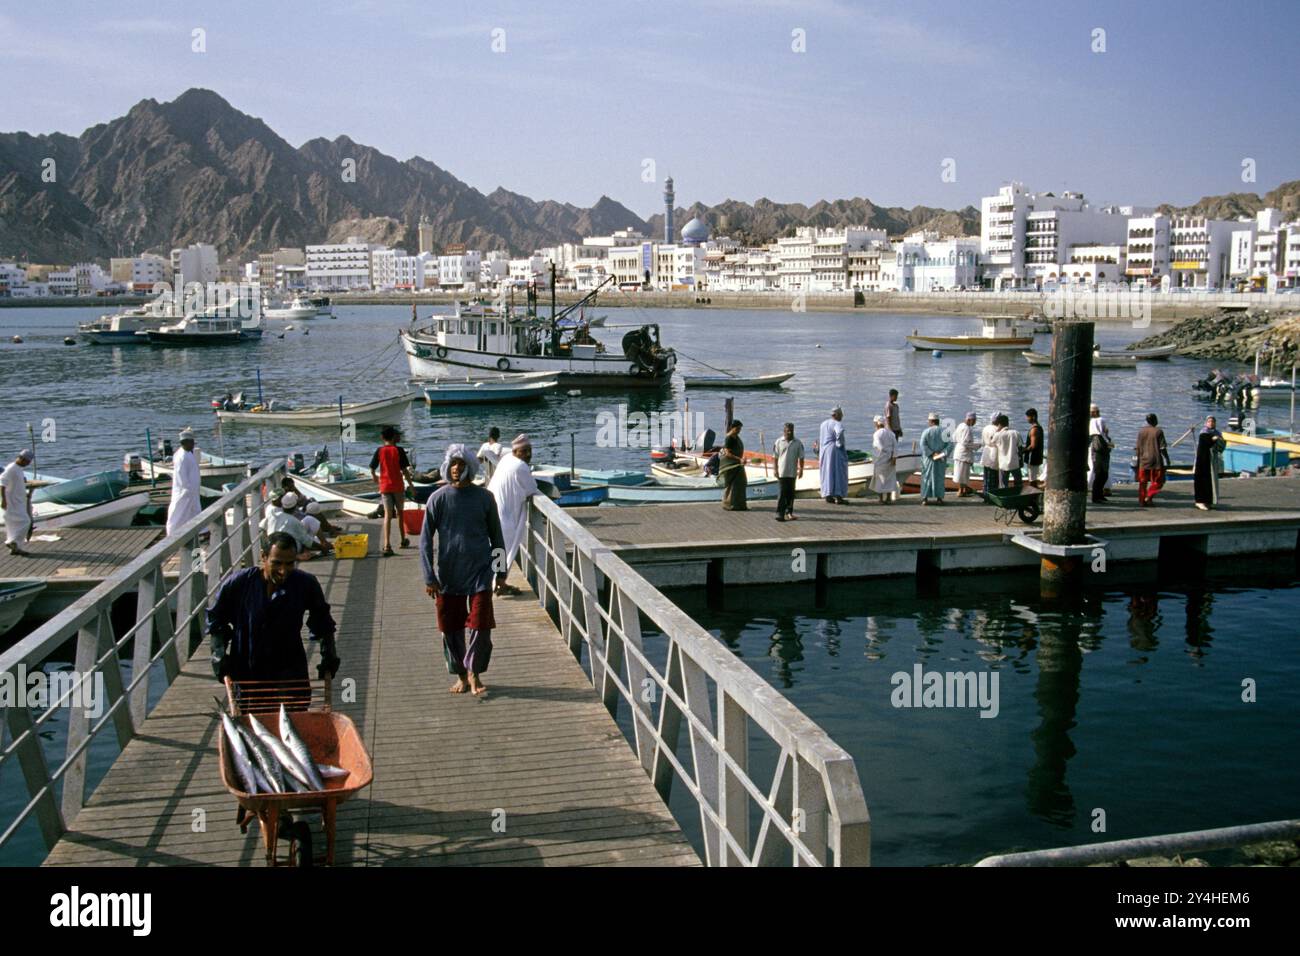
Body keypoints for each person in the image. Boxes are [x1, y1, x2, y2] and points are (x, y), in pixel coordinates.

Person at [207, 531, 339, 710]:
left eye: (290, 563)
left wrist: (328, 654)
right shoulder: (238, 583)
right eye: (277, 563)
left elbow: (323, 622)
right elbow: (216, 619)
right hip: (249, 668)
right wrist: (218, 653)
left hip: (289, 669)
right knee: (251, 721)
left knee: (294, 720)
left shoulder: (305, 584)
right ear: (263, 557)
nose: (283, 571)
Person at [420, 444, 506, 697]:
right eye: (453, 464)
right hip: (448, 573)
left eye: (462, 464)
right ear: (447, 467)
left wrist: (500, 573)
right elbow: (425, 540)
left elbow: (497, 536)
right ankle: (460, 673)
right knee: (450, 626)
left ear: (470, 467)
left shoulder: (484, 498)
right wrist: (429, 576)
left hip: (480, 571)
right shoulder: (438, 498)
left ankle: (474, 672)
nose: (457, 468)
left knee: (481, 624)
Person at [487, 434, 539, 593]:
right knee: (504, 550)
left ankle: (497, 582)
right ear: (516, 451)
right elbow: (532, 489)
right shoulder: (521, 466)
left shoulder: (506, 459)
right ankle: (497, 583)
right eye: (524, 451)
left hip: (492, 510)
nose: (528, 455)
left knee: (496, 549)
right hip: (505, 515)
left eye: (529, 450)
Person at [370, 425, 414, 557]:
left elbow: (372, 468)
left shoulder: (379, 451)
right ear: (394, 436)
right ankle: (402, 540)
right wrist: (411, 486)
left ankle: (387, 545)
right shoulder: (399, 450)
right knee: (400, 513)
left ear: (382, 437)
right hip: (397, 486)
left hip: (385, 486)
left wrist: (375, 478)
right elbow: (405, 471)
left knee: (388, 515)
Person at [165, 427, 202, 539]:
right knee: (178, 512)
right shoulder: (181, 456)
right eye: (191, 442)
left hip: (192, 491)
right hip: (184, 491)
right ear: (184, 443)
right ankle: (172, 533)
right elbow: (181, 476)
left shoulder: (188, 453)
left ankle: (198, 531)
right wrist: (188, 489)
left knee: (193, 512)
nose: (193, 445)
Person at [2, 449, 34, 557]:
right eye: (27, 462)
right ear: (22, 459)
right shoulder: (11, 468)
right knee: (26, 521)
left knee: (13, 525)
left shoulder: (18, 469)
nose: (27, 464)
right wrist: (3, 500)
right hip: (12, 501)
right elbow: (2, 484)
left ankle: (16, 547)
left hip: (18, 500)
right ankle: (12, 542)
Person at [1135, 413, 1170, 506]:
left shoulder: (1141, 431)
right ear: (1155, 420)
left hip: (1143, 460)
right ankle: (1149, 496)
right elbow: (1162, 448)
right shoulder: (1158, 431)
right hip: (1155, 460)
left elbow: (1137, 447)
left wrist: (1137, 460)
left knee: (1142, 482)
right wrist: (1167, 458)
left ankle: (1142, 501)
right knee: (1158, 481)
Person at [1192, 415, 1226, 511]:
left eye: (1213, 421)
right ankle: (1199, 501)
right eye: (1209, 421)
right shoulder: (1203, 433)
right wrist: (1213, 439)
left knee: (1211, 481)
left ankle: (1209, 501)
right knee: (1202, 480)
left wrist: (1219, 440)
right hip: (1202, 460)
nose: (1211, 423)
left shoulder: (1217, 433)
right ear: (1206, 423)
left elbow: (1222, 446)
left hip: (1213, 460)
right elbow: (1205, 444)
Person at [772, 422, 804, 522]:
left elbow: (801, 457)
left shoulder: (798, 443)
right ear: (784, 431)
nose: (789, 432)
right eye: (787, 431)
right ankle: (779, 513)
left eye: (791, 430)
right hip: (782, 472)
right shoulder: (778, 442)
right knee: (782, 493)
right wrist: (775, 469)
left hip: (792, 472)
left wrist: (801, 469)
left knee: (790, 494)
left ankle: (789, 512)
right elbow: (775, 457)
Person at [818, 407, 849, 504]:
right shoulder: (837, 424)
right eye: (841, 414)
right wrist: (839, 444)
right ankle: (839, 496)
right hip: (834, 450)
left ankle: (828, 494)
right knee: (838, 472)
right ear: (836, 415)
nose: (842, 416)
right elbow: (839, 432)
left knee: (827, 472)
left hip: (824, 450)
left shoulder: (823, 424)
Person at [919, 413, 950, 505]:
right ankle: (939, 498)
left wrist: (932, 453)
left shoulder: (926, 432)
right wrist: (941, 454)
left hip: (929, 459)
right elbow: (950, 445)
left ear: (931, 421)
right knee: (939, 478)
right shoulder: (945, 432)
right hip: (940, 459)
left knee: (927, 477)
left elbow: (922, 444)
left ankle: (925, 498)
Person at [719, 420, 748, 511]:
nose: (739, 430)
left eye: (740, 429)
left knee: (741, 483)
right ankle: (728, 504)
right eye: (737, 429)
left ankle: (740, 504)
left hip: (737, 464)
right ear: (732, 428)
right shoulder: (729, 438)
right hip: (730, 464)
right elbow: (727, 453)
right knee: (731, 484)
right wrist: (739, 459)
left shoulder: (736, 437)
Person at [1086, 404, 1113, 497]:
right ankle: (1103, 490)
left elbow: (1094, 434)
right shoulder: (1101, 420)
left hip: (1094, 447)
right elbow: (1105, 432)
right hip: (1101, 448)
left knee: (1094, 469)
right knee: (1103, 471)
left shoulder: (1093, 421)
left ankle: (1093, 489)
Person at [870, 415, 898, 504]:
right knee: (890, 478)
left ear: (877, 424)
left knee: (880, 479)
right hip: (890, 459)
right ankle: (889, 498)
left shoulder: (877, 434)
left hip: (881, 459)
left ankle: (881, 499)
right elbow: (895, 446)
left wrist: (882, 453)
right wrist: (893, 457)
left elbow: (878, 446)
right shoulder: (891, 433)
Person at [951, 412, 980, 497]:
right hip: (963, 454)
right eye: (974, 421)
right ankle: (960, 490)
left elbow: (954, 437)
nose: (975, 423)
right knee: (962, 474)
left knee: (962, 473)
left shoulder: (960, 425)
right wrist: (977, 446)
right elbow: (966, 443)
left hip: (959, 451)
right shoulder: (966, 428)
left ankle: (963, 490)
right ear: (970, 420)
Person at [993, 414, 1023, 493]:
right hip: (1014, 462)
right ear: (1008, 423)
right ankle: (1018, 495)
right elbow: (1020, 448)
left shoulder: (998, 435)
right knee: (1018, 483)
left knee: (1003, 485)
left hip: (1003, 464)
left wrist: (997, 430)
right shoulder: (1015, 433)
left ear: (999, 424)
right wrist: (1021, 460)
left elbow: (991, 441)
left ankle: (1004, 497)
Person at [1089, 414, 1111, 504]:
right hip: (1099, 459)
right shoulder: (1097, 437)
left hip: (1103, 459)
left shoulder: (1103, 436)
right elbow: (1099, 448)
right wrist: (1108, 447)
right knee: (1099, 477)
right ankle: (1096, 496)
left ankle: (1100, 495)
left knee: (1103, 476)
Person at [1023, 408, 1045, 488]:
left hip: (1032, 458)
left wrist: (1023, 450)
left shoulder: (1034, 430)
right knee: (1034, 477)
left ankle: (1033, 495)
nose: (1027, 419)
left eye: (1028, 417)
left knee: (1032, 479)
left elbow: (1033, 445)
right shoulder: (1039, 427)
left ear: (1033, 417)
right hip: (1037, 457)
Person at [980, 415, 1001, 496]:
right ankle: (992, 495)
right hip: (994, 452)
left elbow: (982, 442)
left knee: (986, 475)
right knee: (993, 477)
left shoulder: (985, 428)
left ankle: (985, 493)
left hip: (986, 451)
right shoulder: (997, 430)